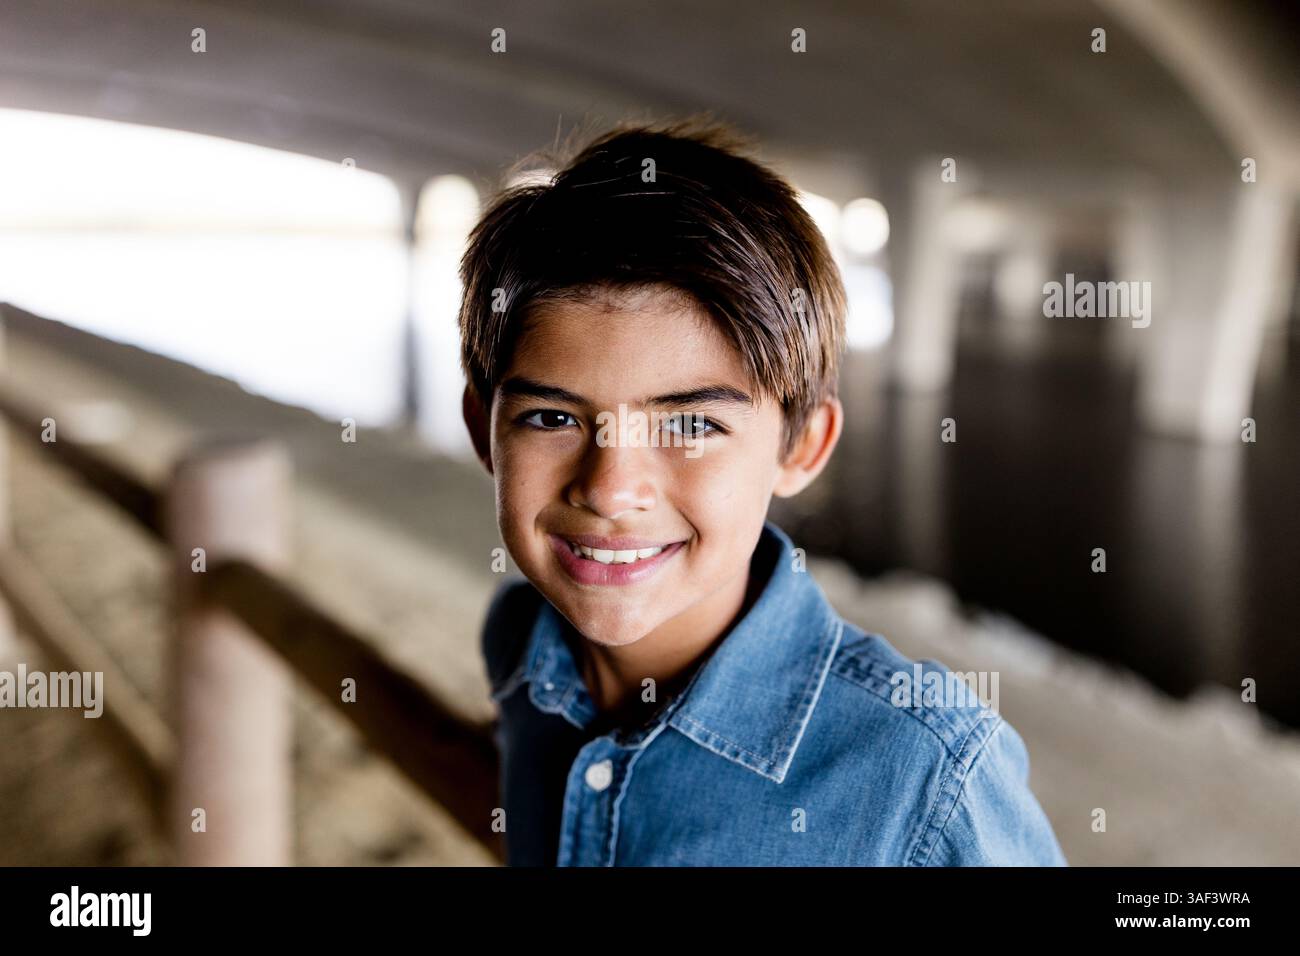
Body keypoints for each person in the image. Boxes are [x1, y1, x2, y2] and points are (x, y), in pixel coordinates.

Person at [457, 117, 1066, 866]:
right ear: (484, 430)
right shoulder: (519, 640)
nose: (612, 490)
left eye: (692, 424)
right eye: (553, 417)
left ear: (801, 446)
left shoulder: (925, 778)